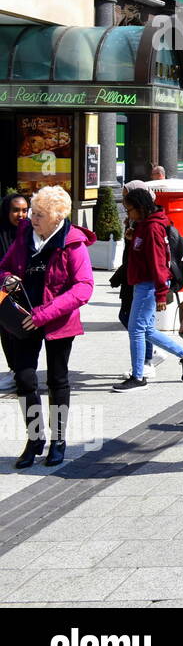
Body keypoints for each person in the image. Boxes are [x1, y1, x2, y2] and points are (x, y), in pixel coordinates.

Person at [0, 186, 94, 468]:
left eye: (39, 214)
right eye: (33, 212)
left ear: (57, 217)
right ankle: (35, 438)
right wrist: (7, 278)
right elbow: (4, 266)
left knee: (57, 380)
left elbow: (84, 288)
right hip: (25, 319)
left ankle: (59, 441)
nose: (32, 218)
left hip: (57, 321)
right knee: (25, 379)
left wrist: (44, 314)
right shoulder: (26, 234)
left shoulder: (73, 242)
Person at [113, 188, 183, 392]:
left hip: (149, 286)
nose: (127, 213)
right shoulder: (143, 225)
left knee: (136, 330)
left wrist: (160, 293)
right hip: (143, 284)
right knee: (146, 330)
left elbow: (159, 263)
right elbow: (141, 254)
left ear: (140, 208)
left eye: (129, 209)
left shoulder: (152, 228)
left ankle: (138, 376)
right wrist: (131, 238)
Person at [0, 193, 30, 392]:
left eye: (24, 210)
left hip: (27, 290)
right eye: (15, 210)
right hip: (3, 290)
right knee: (6, 330)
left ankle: (24, 371)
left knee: (25, 331)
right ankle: (14, 370)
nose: (21, 214)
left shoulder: (31, 232)